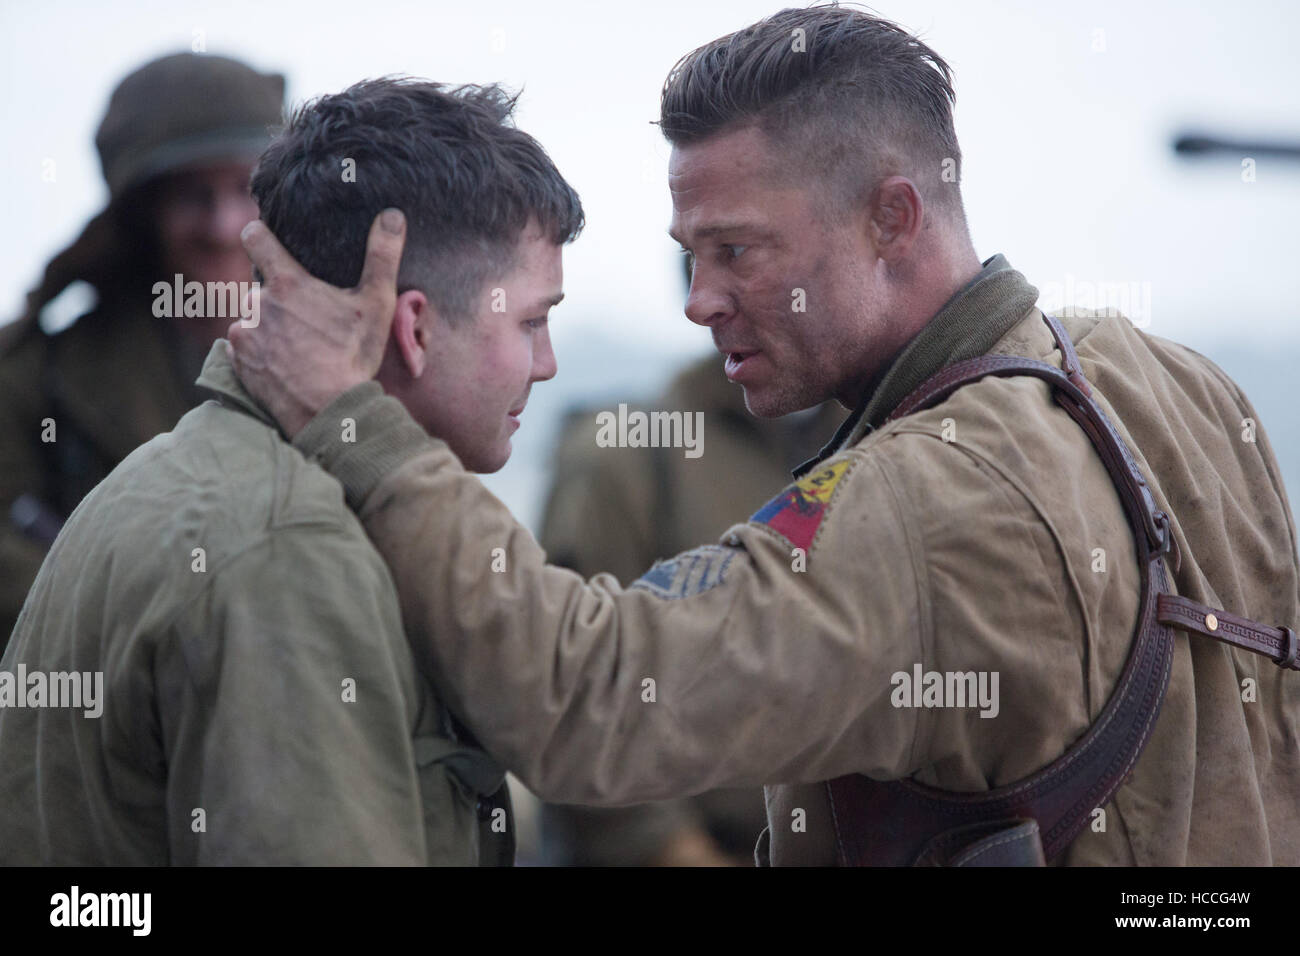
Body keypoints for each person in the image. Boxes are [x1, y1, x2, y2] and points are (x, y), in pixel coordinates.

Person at [229, 7, 1300, 865]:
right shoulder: (1167, 376)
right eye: (690, 255)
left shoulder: (918, 500)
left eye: (737, 251)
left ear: (893, 218)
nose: (699, 301)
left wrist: (353, 423)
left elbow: (586, 693)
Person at [0, 78, 582, 864]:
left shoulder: (192, 465)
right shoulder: (290, 545)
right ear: (413, 326)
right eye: (532, 321)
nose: (547, 365)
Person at [537, 285, 843, 866]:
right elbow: (575, 694)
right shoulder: (625, 460)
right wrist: (675, 850)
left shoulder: (897, 441)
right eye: (717, 253)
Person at [0, 52, 284, 650]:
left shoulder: (348, 358)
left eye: (245, 188)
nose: (223, 223)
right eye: (193, 196)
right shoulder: (39, 380)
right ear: (143, 215)